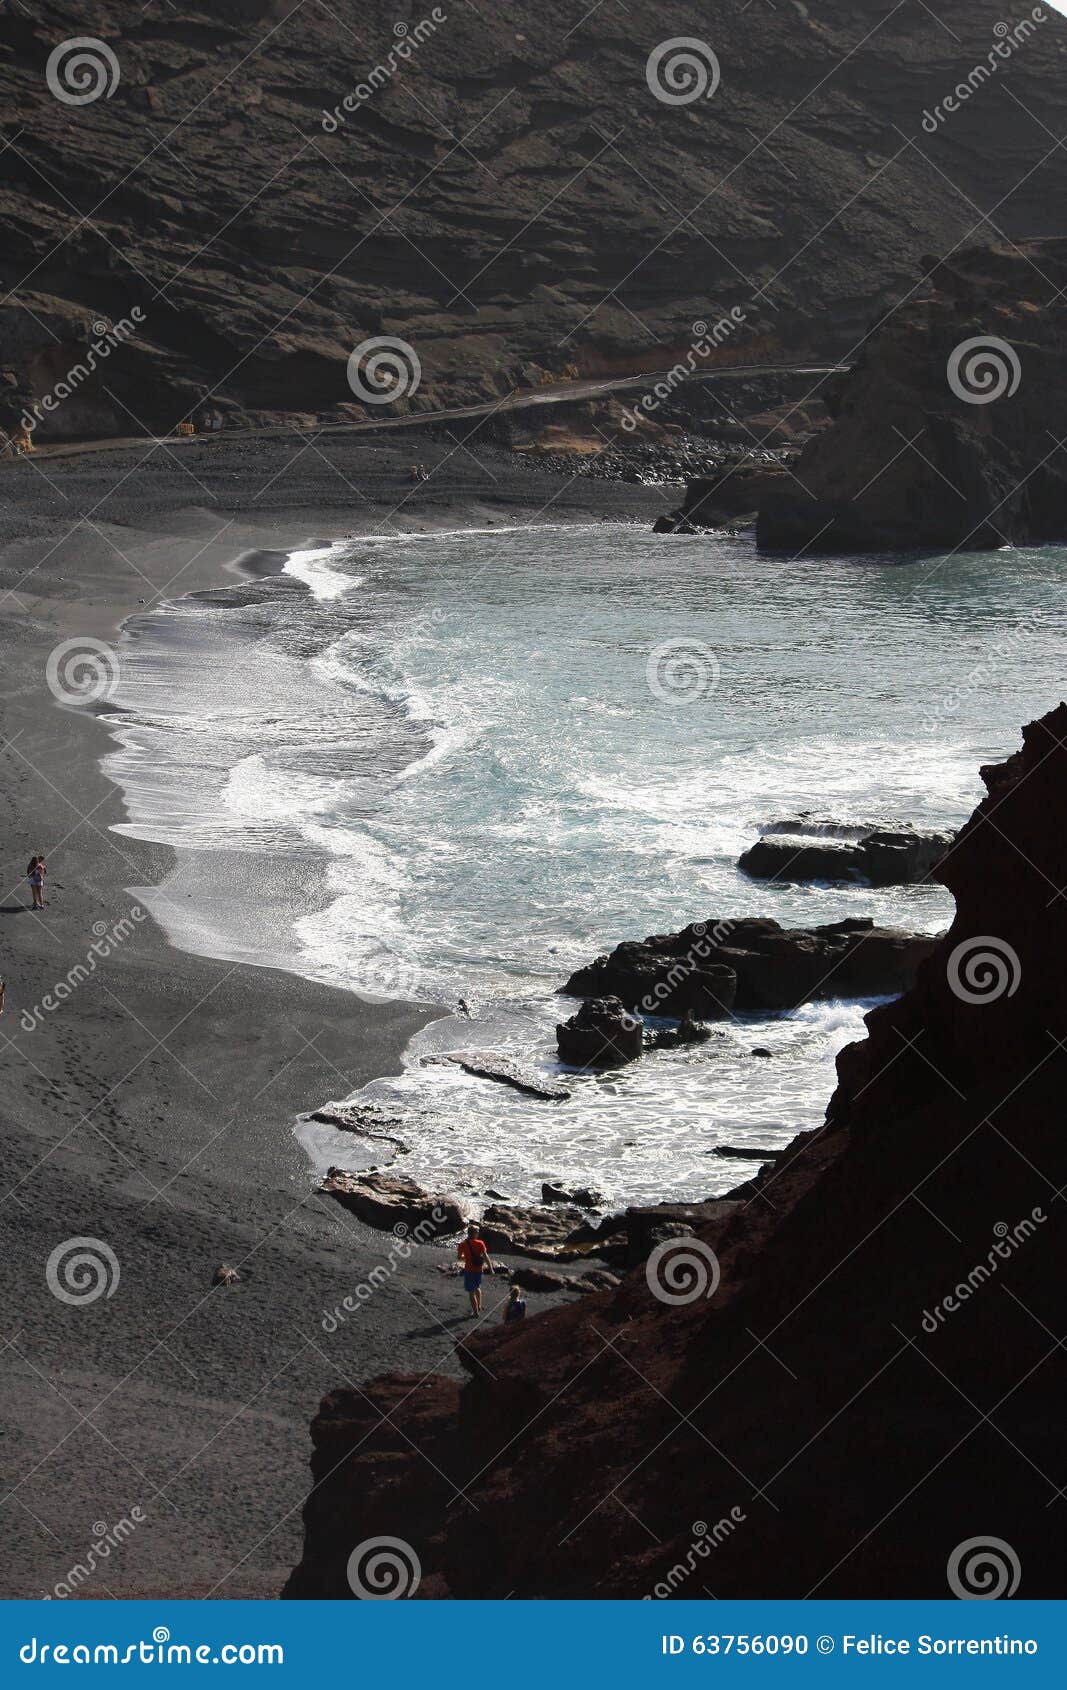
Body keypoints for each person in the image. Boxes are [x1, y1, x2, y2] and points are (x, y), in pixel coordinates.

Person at [457, 1222, 494, 1318]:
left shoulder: (463, 1244)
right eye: (477, 1232)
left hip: (469, 1270)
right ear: (475, 1234)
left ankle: (475, 1312)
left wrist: (467, 1258)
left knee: (471, 1292)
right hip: (479, 1269)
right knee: (477, 1288)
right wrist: (491, 1269)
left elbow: (459, 1258)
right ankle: (479, 1306)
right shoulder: (480, 1243)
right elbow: (486, 1257)